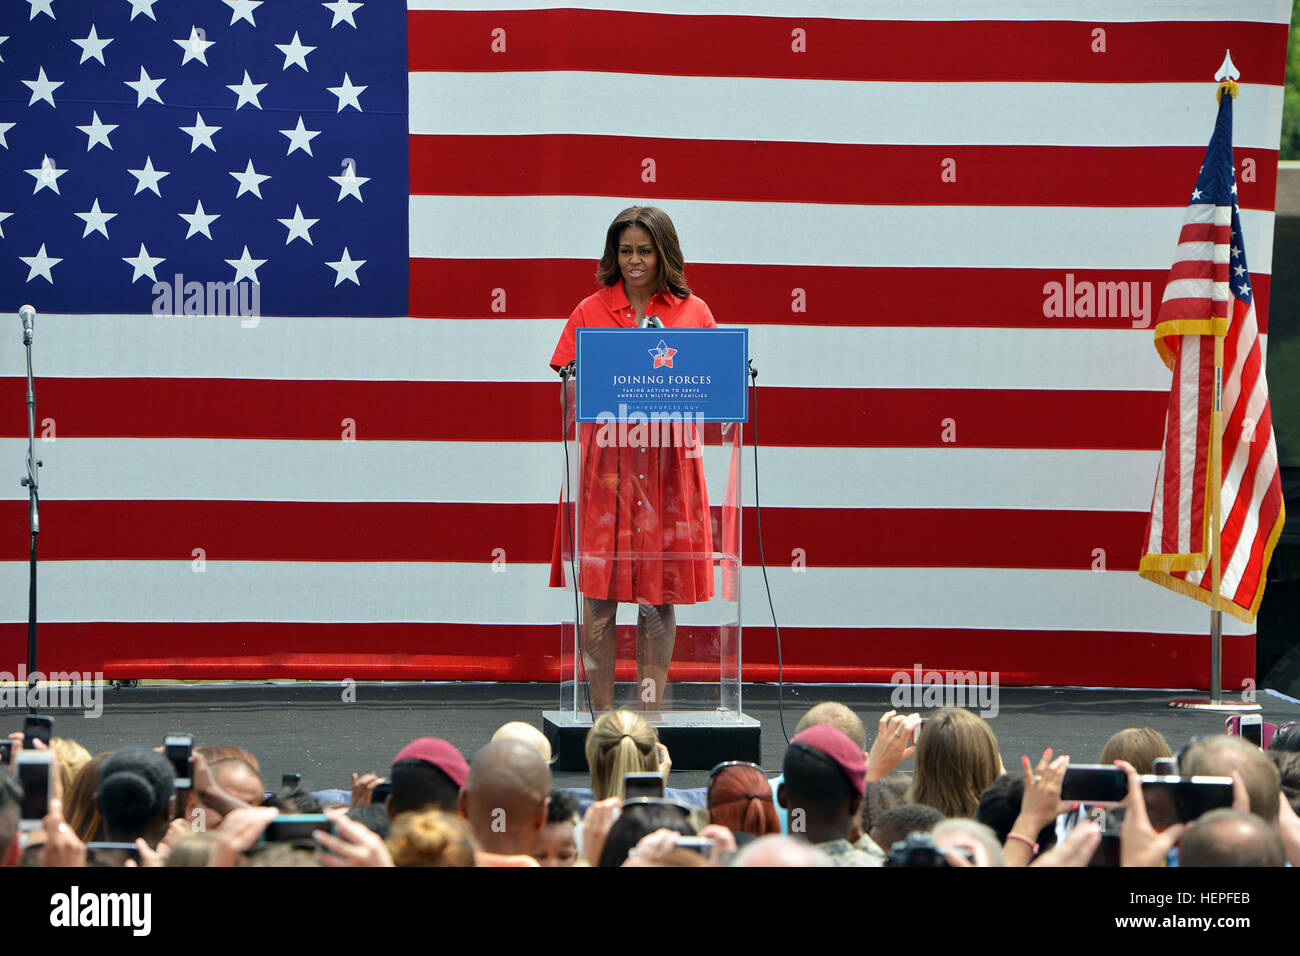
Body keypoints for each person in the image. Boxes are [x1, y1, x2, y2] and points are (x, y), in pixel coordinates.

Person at [549, 205, 719, 712]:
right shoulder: (590, 310)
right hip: (609, 471)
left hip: (670, 469)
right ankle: (602, 720)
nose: (635, 261)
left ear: (664, 253)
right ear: (613, 254)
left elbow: (713, 392)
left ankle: (646, 718)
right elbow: (566, 391)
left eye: (645, 250)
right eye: (625, 251)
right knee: (600, 597)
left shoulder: (695, 313)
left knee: (659, 598)